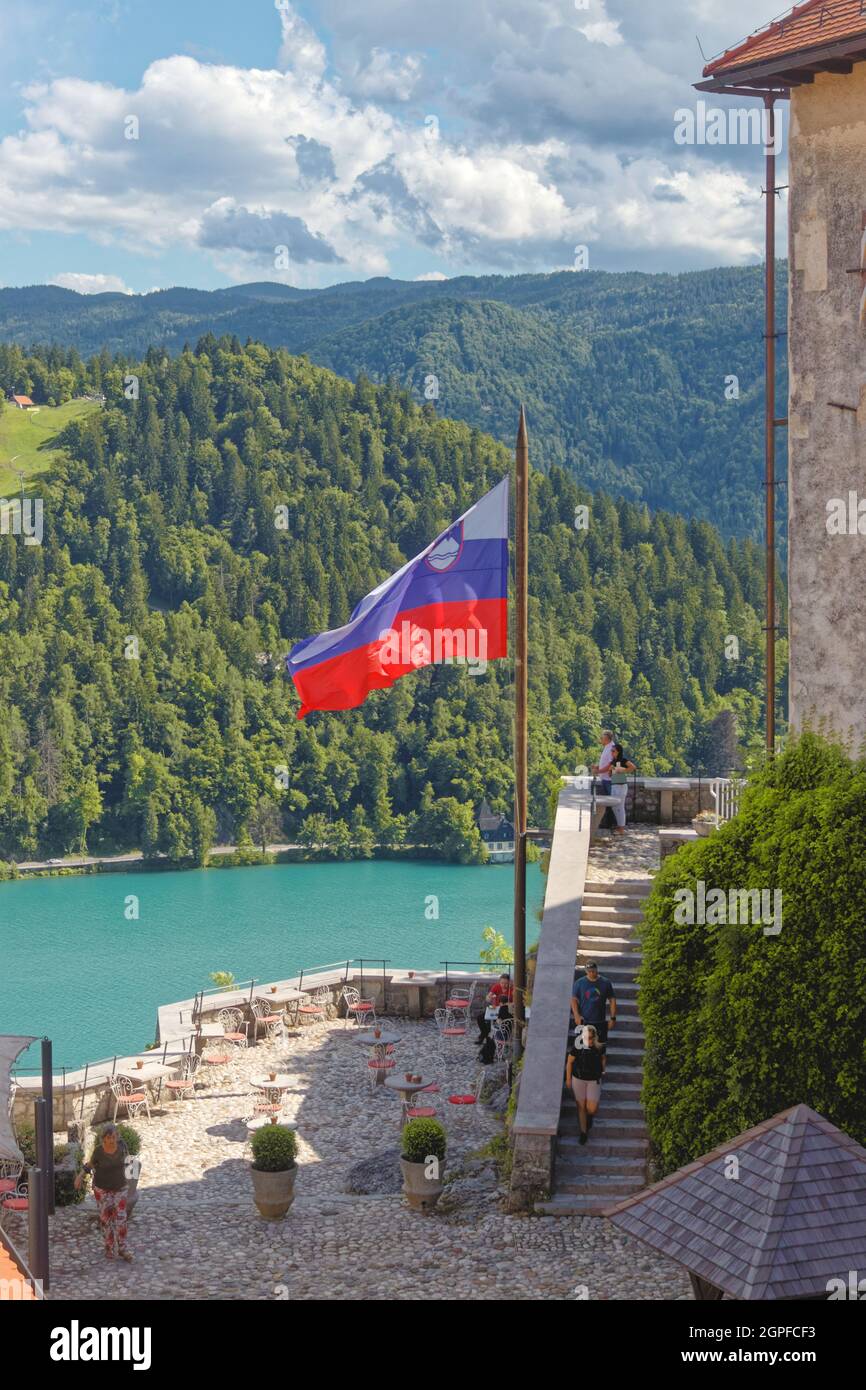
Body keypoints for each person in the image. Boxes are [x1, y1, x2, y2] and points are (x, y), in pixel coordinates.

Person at [74, 1122, 132, 1262]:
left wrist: (131, 1180)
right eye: (109, 1137)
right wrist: (80, 1176)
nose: (113, 1140)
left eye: (115, 1137)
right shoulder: (99, 1151)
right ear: (104, 1138)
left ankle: (123, 1249)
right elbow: (90, 1165)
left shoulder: (122, 1146)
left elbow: (129, 1162)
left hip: (120, 1188)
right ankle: (109, 1247)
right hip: (102, 1189)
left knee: (121, 1219)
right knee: (106, 1220)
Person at [571, 962, 616, 1073]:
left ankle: (601, 1072)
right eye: (589, 971)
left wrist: (613, 1018)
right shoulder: (579, 983)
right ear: (586, 971)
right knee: (582, 1049)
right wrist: (576, 1015)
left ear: (597, 970)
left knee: (601, 1050)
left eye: (593, 971)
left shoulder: (605, 983)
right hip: (584, 1021)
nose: (591, 973)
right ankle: (583, 1071)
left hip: (600, 1021)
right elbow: (573, 999)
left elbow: (612, 1000)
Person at [566, 1024, 604, 1144]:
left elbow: (603, 1058)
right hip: (579, 1078)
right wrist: (568, 1079)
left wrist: (602, 1070)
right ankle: (583, 1133)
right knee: (581, 1106)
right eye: (587, 1037)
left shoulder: (600, 1047)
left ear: (595, 1037)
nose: (589, 1040)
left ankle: (590, 1117)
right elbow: (569, 1062)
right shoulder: (578, 1046)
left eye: (591, 1037)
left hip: (594, 1079)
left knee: (591, 1109)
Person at [476, 973, 513, 1044]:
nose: (504, 985)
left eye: (506, 983)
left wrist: (507, 1004)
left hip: (505, 1012)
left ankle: (491, 1037)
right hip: (495, 1009)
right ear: (499, 982)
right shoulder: (497, 986)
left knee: (499, 1020)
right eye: (502, 983)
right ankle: (484, 1034)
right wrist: (488, 998)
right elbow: (489, 996)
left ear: (509, 982)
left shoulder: (512, 989)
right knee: (480, 1018)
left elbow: (515, 1003)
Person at [608, 742, 637, 834]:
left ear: (618, 752)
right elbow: (610, 774)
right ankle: (619, 826)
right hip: (614, 785)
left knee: (620, 807)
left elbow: (633, 767)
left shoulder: (623, 760)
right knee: (614, 806)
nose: (612, 752)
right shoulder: (613, 761)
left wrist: (623, 770)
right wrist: (611, 770)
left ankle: (621, 829)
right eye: (611, 751)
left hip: (621, 786)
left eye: (613, 751)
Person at [591, 730, 616, 797]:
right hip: (605, 779)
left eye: (602, 738)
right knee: (608, 801)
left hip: (609, 780)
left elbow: (611, 765)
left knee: (611, 801)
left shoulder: (612, 748)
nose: (600, 740)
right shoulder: (607, 746)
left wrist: (598, 771)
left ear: (606, 739)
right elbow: (606, 762)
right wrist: (597, 767)